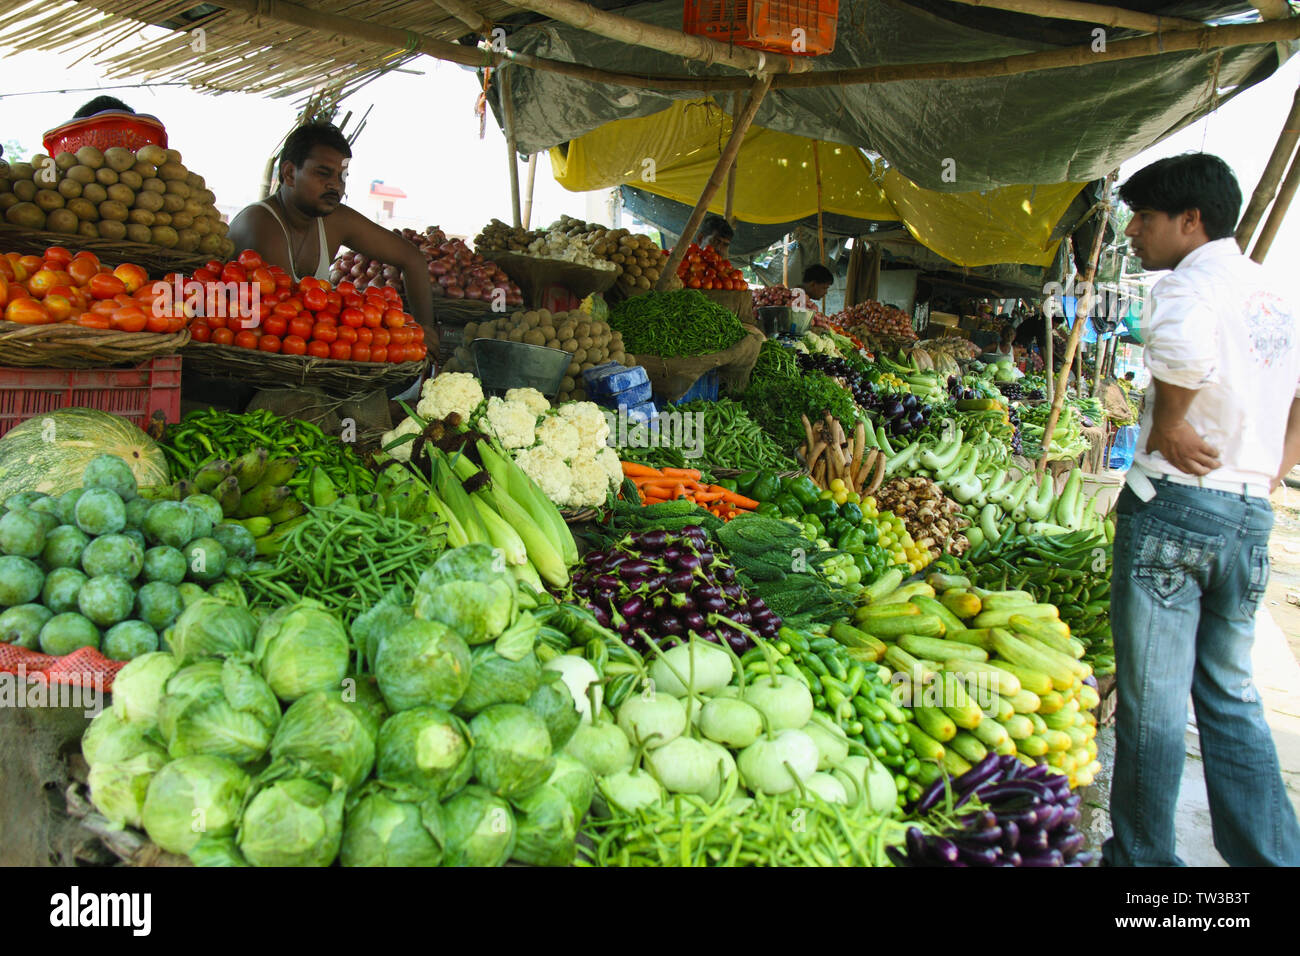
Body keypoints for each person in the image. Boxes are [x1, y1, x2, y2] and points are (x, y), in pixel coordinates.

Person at [1104, 152, 1300, 867]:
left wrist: (1171, 425)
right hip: (1248, 516)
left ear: (1192, 221)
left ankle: (1144, 868)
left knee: (1154, 707)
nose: (1133, 232)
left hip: (1176, 511)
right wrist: (1271, 471)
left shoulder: (1191, 284)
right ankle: (1273, 860)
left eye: (1146, 218)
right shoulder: (1275, 295)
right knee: (1230, 699)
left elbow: (1181, 352)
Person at [228, 122, 436, 346]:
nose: (335, 186)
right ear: (289, 173)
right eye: (323, 173)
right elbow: (287, 317)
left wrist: (424, 332)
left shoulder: (334, 219)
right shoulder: (261, 223)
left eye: (342, 176)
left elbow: (412, 259)